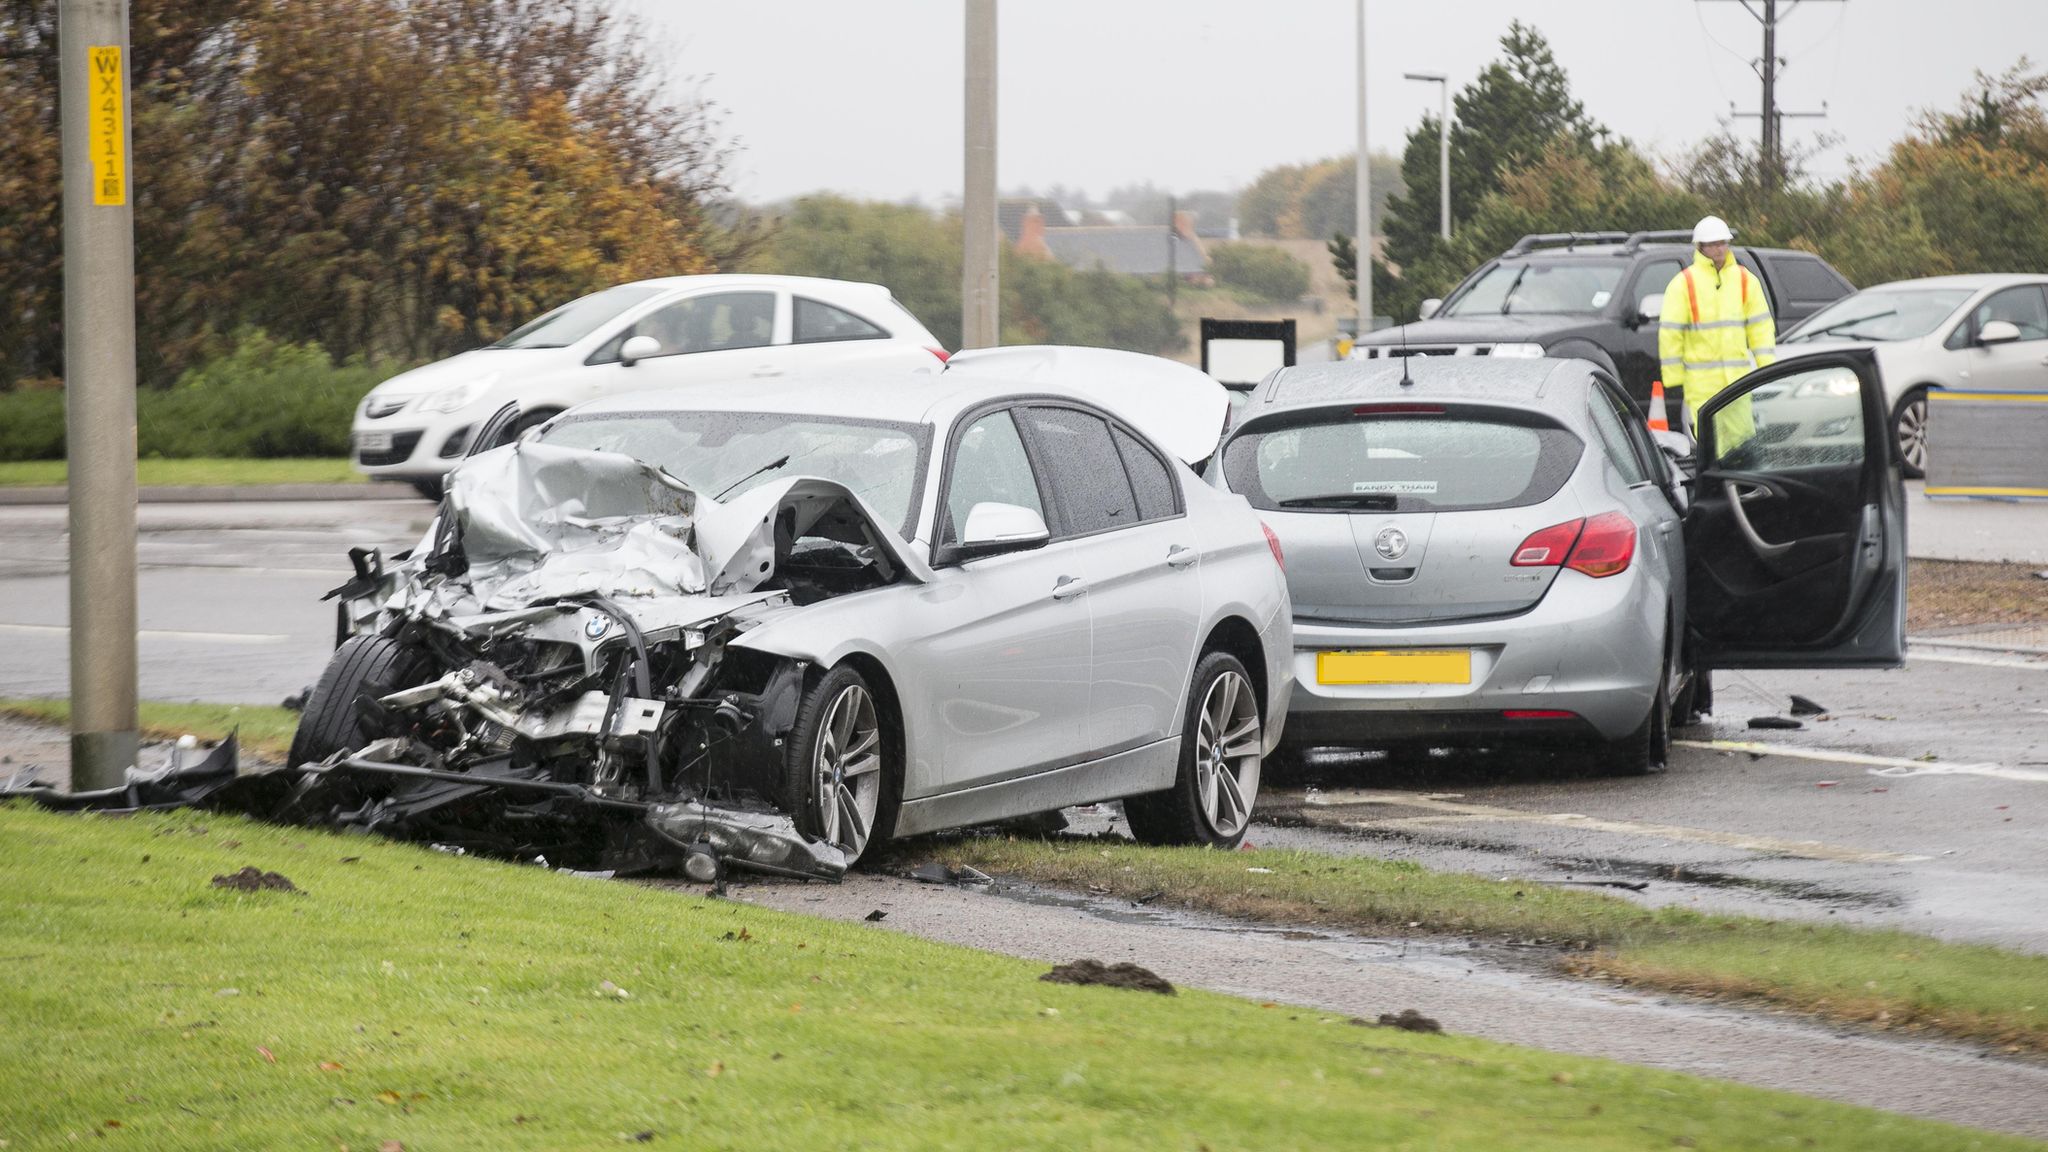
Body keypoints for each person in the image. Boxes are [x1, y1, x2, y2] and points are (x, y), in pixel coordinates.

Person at [1658, 215, 1776, 449]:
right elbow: (1671, 332)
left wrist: (1767, 366)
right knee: (1709, 443)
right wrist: (1673, 377)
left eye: (1722, 243)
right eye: (1712, 244)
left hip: (1737, 380)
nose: (1719, 249)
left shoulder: (1744, 280)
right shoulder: (1685, 283)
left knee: (1741, 440)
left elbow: (1760, 326)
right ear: (1700, 247)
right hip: (1702, 383)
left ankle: (1739, 486)